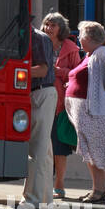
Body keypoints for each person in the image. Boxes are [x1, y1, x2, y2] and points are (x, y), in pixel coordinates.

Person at [64, 20, 105, 203]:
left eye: (81, 37)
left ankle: (99, 190)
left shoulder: (103, 52)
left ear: (88, 38)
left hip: (94, 114)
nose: (79, 40)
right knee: (91, 152)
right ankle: (97, 189)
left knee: (95, 152)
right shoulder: (92, 54)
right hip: (87, 114)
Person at [42, 12, 81, 199]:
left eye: (52, 25)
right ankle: (43, 184)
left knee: (59, 148)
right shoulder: (40, 42)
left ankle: (59, 186)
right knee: (42, 145)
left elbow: (78, 73)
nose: (48, 28)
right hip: (41, 98)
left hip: (61, 103)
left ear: (60, 29)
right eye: (46, 24)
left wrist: (59, 71)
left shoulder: (70, 47)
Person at [22, 22, 58, 206]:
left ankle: (32, 199)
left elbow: (43, 69)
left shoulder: (38, 38)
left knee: (36, 149)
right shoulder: (35, 37)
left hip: (41, 93)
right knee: (43, 150)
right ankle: (44, 199)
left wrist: (18, 70)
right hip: (40, 93)